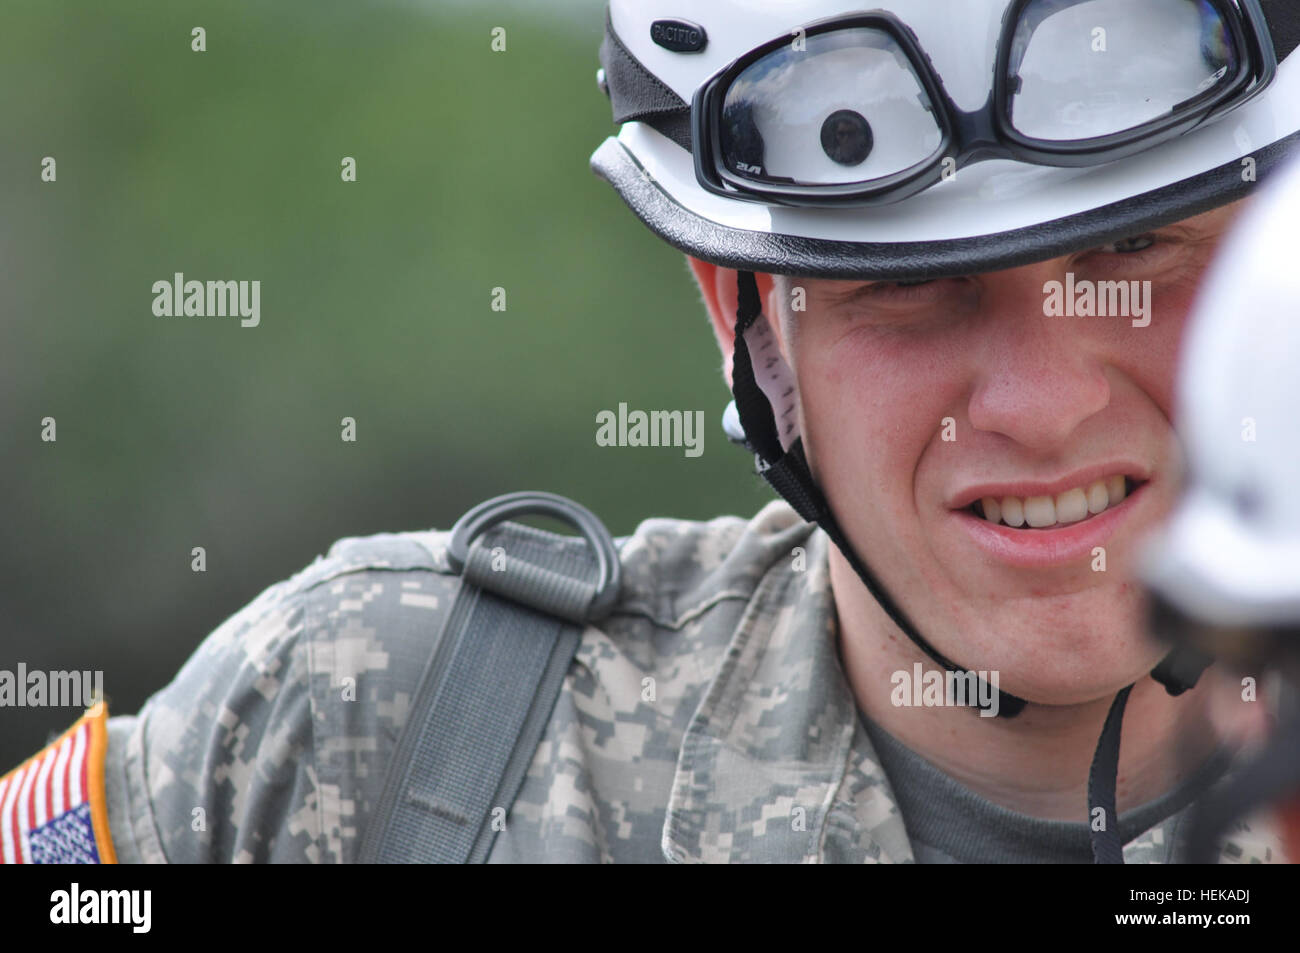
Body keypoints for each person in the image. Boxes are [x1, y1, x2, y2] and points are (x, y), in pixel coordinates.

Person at [3, 0, 1299, 864]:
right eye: (908, 287)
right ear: (740, 313)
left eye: (1134, 247)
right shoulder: (355, 717)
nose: (1044, 400)